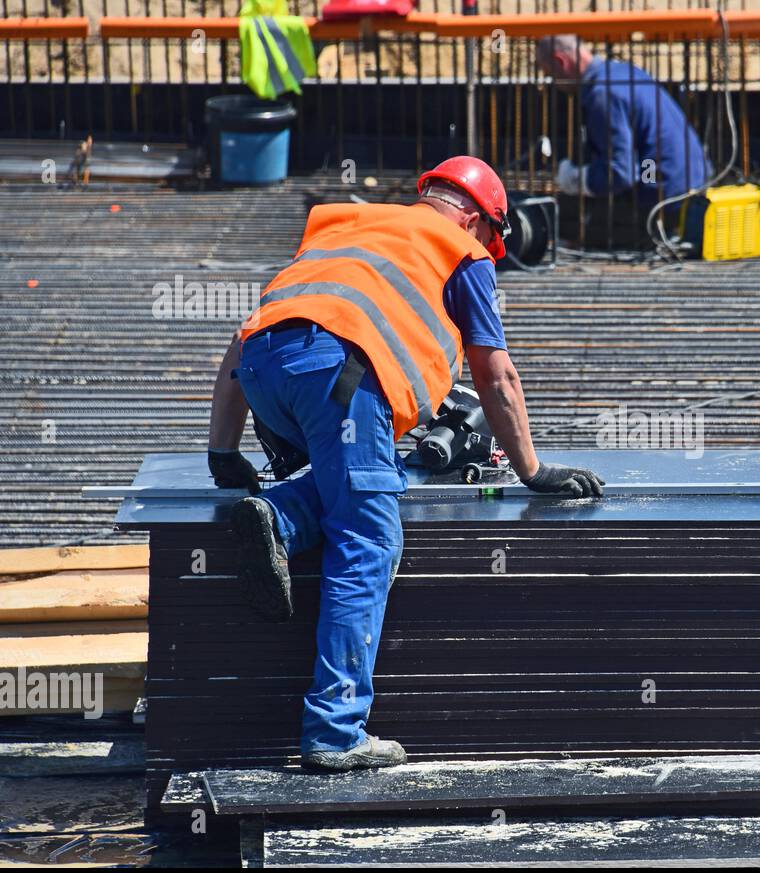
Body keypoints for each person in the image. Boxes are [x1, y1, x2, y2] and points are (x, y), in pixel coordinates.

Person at [206, 156, 605, 771]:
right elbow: (495, 377)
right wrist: (531, 469)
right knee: (368, 536)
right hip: (340, 379)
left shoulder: (349, 228)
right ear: (475, 220)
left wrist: (223, 450)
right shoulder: (459, 251)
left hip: (266, 376)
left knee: (359, 481)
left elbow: (241, 342)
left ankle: (280, 516)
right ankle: (335, 734)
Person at [536, 34, 713, 248]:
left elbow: (621, 173)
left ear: (560, 61)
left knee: (571, 233)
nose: (555, 83)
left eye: (551, 74)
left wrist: (576, 180)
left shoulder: (602, 95)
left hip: (664, 200)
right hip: (697, 186)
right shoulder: (624, 73)